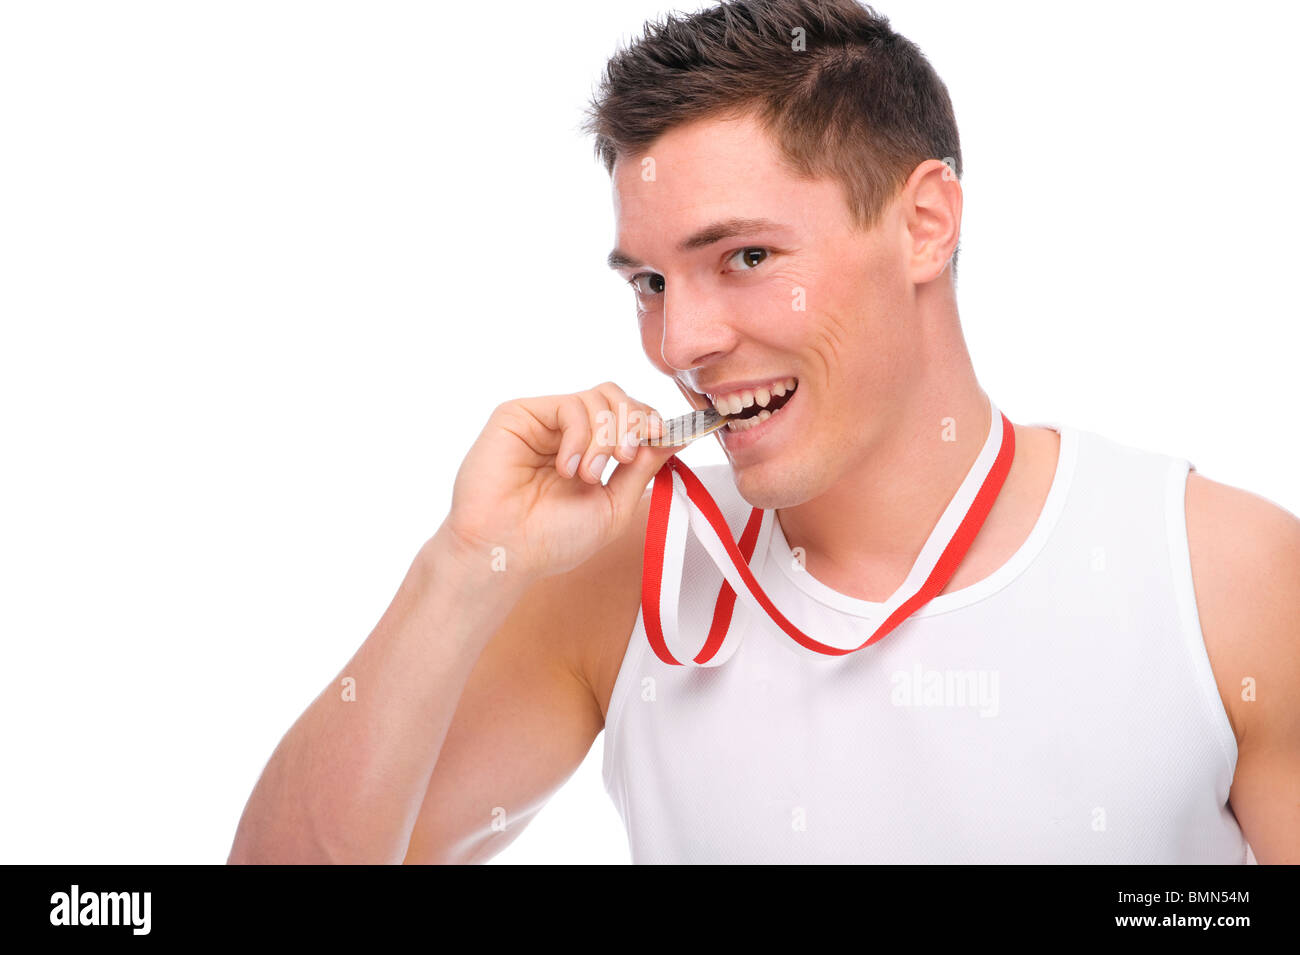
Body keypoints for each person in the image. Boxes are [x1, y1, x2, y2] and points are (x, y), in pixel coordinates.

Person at [227, 0, 1298, 864]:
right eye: (649, 281)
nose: (678, 340)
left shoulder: (1222, 572)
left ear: (923, 224)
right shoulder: (628, 575)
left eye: (743, 258)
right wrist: (466, 565)